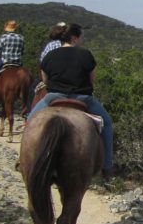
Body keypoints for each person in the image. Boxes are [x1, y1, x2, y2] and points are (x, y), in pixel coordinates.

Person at [29, 23, 114, 178]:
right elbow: (92, 79)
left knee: (30, 120)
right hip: (82, 98)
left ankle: (24, 160)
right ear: (74, 38)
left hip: (54, 97)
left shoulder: (49, 56)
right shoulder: (86, 55)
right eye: (81, 37)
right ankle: (107, 166)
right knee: (107, 123)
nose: (82, 40)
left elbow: (45, 81)